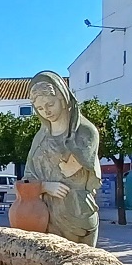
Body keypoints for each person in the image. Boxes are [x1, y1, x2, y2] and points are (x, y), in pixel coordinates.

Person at [23, 70, 101, 245]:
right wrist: (45, 186)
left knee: (83, 261)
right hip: (46, 218)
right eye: (40, 108)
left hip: (79, 215)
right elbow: (27, 178)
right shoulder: (40, 138)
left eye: (50, 104)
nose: (46, 111)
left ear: (63, 98)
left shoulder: (85, 132)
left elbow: (69, 170)